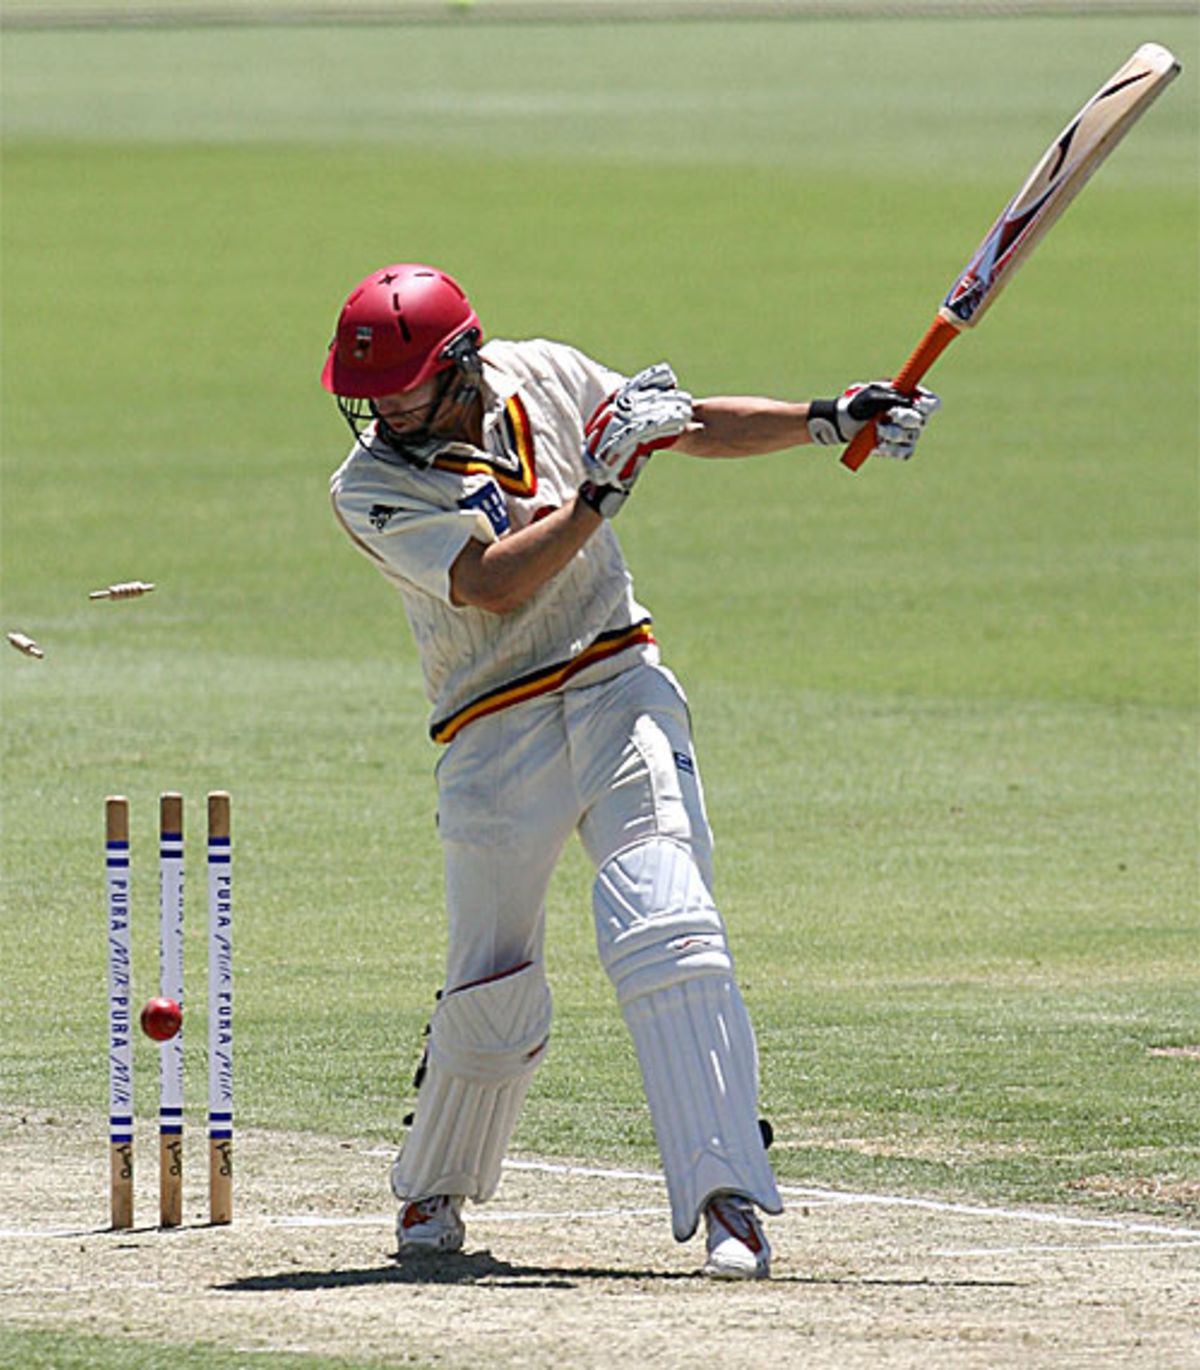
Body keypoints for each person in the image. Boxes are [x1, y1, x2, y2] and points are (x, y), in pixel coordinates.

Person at [321, 263, 938, 1280]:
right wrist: (600, 494)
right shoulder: (367, 487)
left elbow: (686, 423)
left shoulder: (547, 373)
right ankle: (435, 1185)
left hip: (615, 676)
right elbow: (488, 586)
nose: (384, 413)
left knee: (666, 918)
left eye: (404, 388)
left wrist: (830, 415)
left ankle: (728, 1196)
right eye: (369, 395)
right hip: (492, 722)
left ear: (462, 362)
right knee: (491, 979)